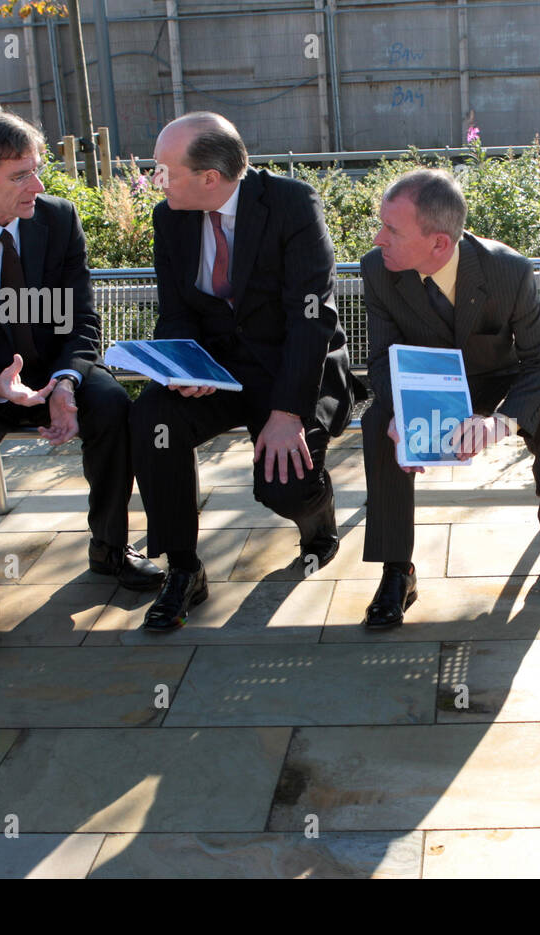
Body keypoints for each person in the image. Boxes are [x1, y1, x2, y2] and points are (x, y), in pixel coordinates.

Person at [0, 104, 163, 656]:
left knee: (112, 402)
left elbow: (82, 318)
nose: (37, 184)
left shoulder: (58, 219)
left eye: (37, 169)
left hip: (51, 372)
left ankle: (110, 547)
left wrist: (66, 383)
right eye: (20, 175)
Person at [131, 112, 360, 631]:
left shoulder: (290, 204)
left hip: (291, 368)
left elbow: (311, 314)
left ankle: (318, 513)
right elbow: (176, 310)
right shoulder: (171, 216)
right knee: (152, 421)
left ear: (210, 178)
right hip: (215, 370)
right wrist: (181, 364)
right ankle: (184, 570)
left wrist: (287, 412)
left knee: (283, 486)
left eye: (163, 169)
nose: (154, 179)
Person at [360, 168, 540, 630]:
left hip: (500, 381)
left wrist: (501, 422)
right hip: (426, 386)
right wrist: (399, 413)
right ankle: (398, 570)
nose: (378, 237)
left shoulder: (507, 270)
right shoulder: (379, 269)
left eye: (392, 229)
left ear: (439, 244)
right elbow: (381, 359)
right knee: (378, 424)